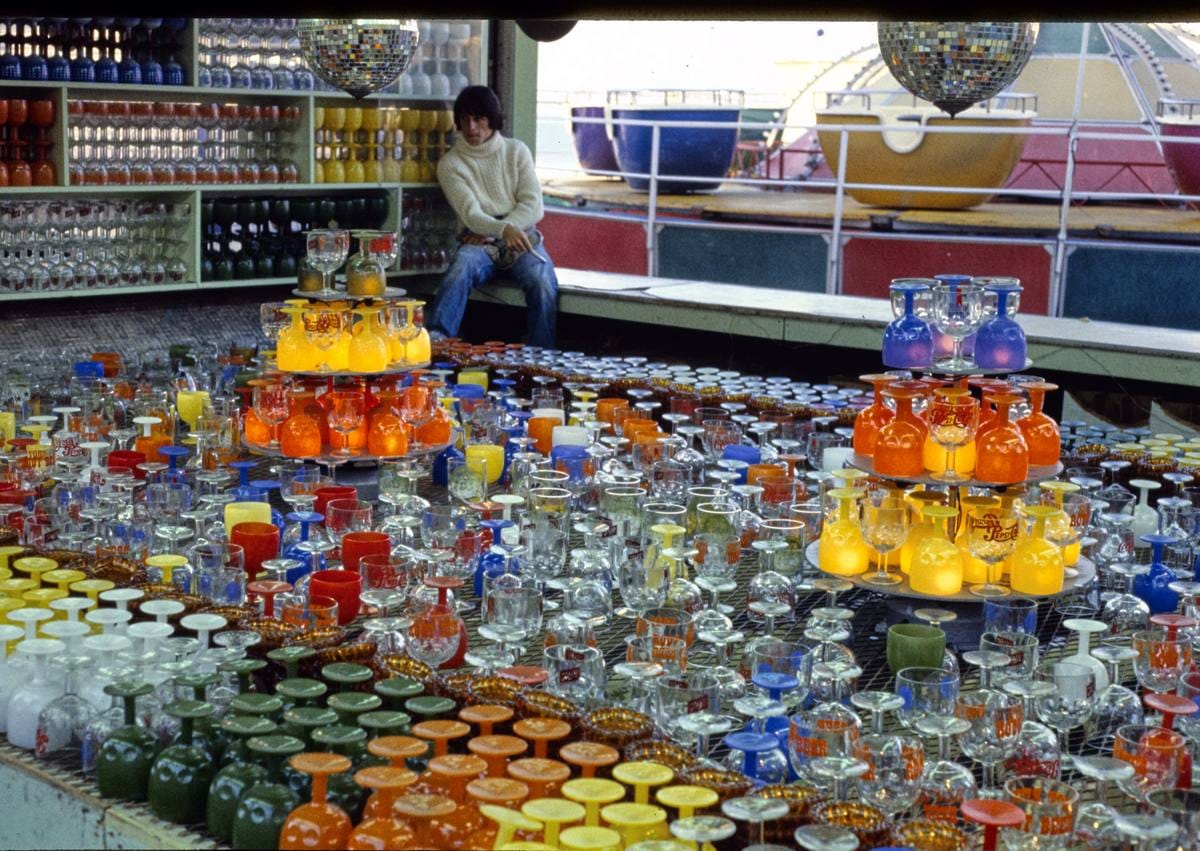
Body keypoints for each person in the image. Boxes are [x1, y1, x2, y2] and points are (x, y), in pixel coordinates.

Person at [426, 85, 559, 348]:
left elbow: (534, 206)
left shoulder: (516, 151)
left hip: (521, 238)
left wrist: (505, 228)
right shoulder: (451, 164)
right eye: (465, 119)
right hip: (480, 243)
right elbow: (470, 213)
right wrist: (501, 230)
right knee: (460, 269)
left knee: (542, 282)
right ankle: (437, 345)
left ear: (493, 119)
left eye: (479, 118)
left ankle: (543, 357)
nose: (472, 127)